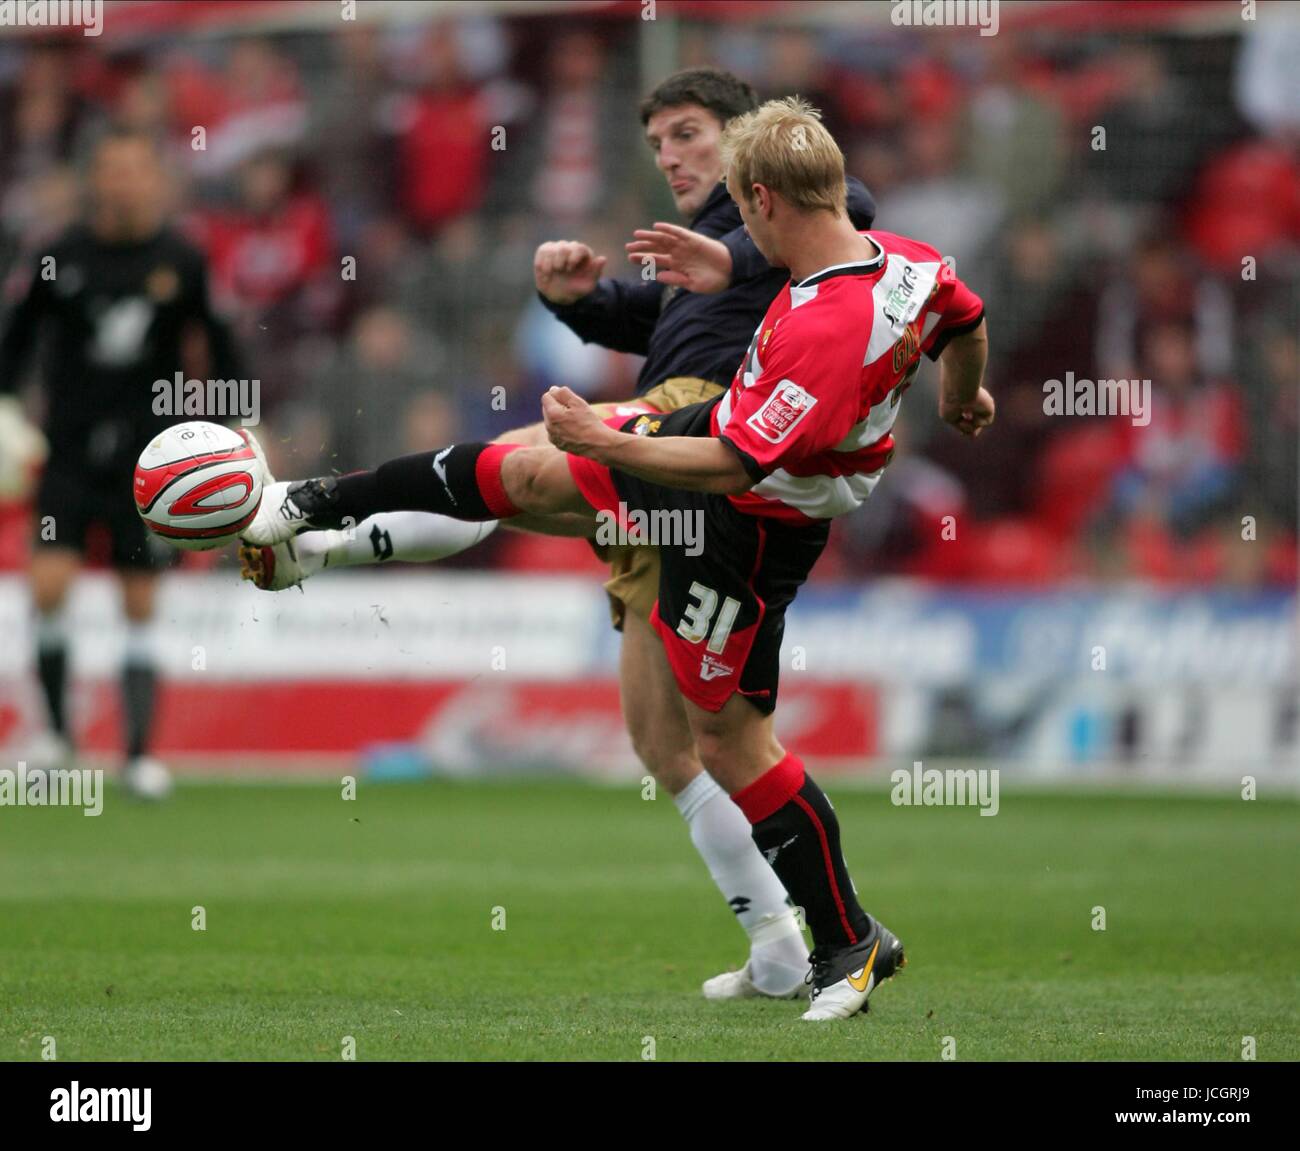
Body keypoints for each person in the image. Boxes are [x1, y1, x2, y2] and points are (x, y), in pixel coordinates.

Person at [242, 97, 993, 1020]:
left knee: (725, 744)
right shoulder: (909, 263)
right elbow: (963, 313)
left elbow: (732, 463)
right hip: (703, 442)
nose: (676, 164)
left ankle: (848, 942)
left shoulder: (822, 326)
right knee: (517, 476)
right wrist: (964, 398)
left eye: (693, 145)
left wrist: (607, 441)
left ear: (759, 196)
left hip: (744, 522)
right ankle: (307, 506)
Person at [0, 128, 244, 798]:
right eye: (111, 169)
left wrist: (230, 427)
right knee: (48, 586)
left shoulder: (184, 259)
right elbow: (13, 341)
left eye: (136, 170)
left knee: (140, 602)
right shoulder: (56, 256)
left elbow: (221, 346)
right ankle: (55, 736)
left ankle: (139, 755)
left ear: (155, 179)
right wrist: (8, 411)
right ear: (95, 179)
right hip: (70, 452)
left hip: (152, 459)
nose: (123, 182)